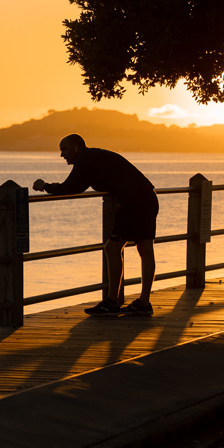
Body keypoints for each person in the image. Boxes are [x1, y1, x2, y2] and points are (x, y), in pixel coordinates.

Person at [33, 134, 158, 317]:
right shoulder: (93, 158)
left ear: (76, 147)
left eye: (64, 149)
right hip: (148, 197)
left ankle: (112, 302)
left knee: (112, 248)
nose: (62, 155)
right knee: (145, 250)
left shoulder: (85, 159)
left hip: (133, 202)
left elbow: (69, 187)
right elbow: (78, 186)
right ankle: (143, 303)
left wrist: (45, 185)